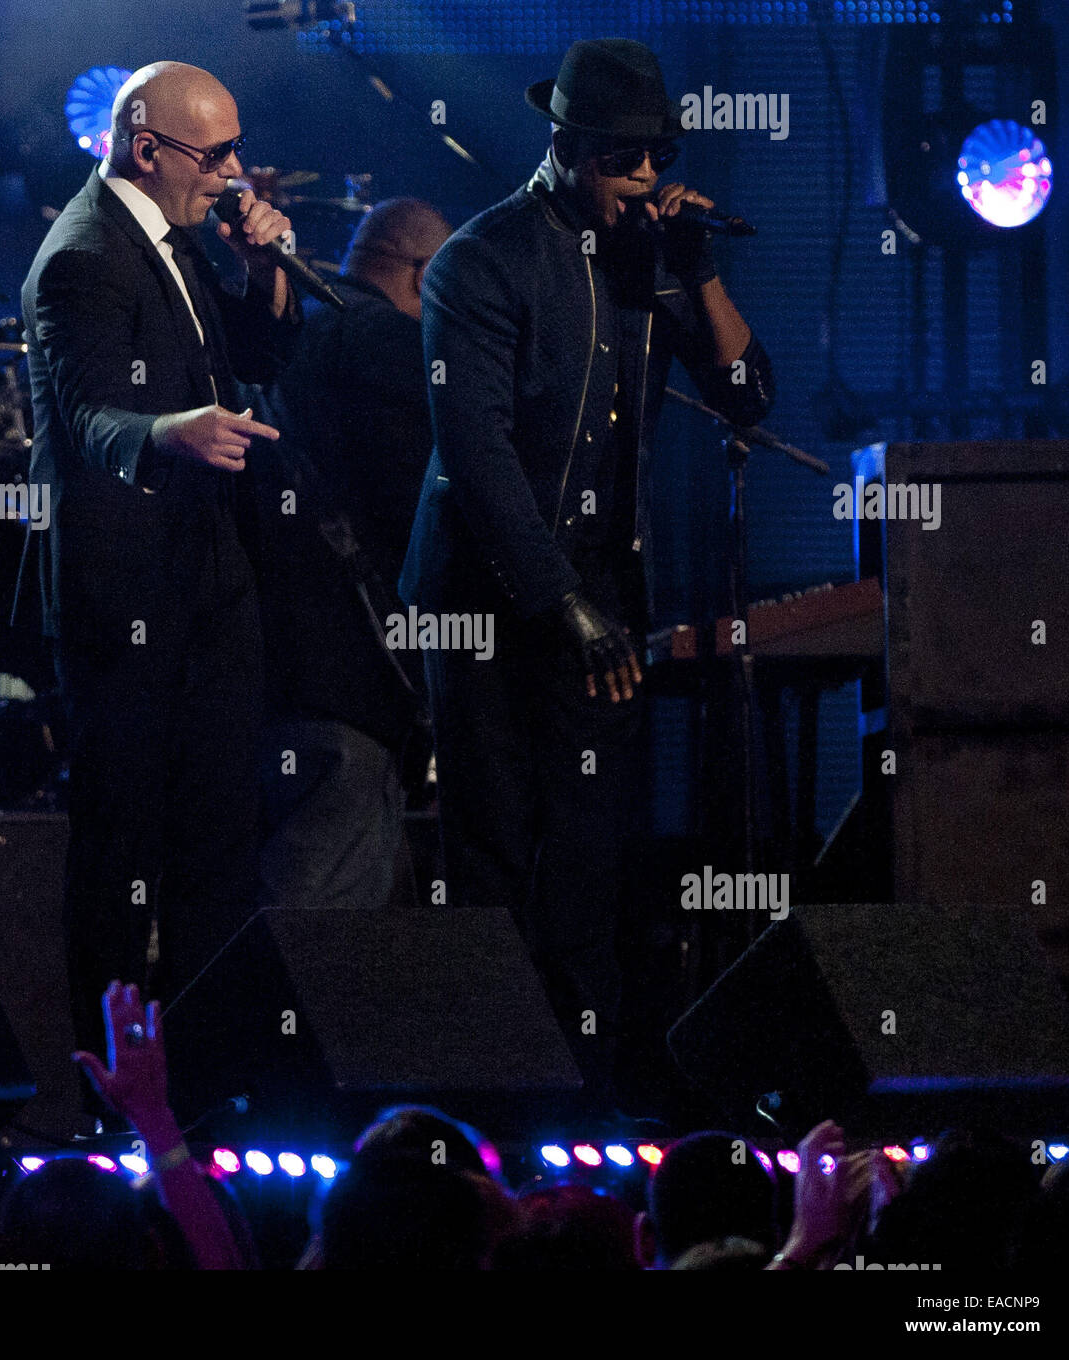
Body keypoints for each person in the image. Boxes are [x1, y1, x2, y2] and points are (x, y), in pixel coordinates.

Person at [399, 38, 774, 1097]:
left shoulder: (649, 261)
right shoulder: (482, 259)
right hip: (488, 598)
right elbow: (475, 452)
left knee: (589, 859)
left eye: (654, 159)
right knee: (492, 853)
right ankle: (480, 1100)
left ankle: (580, 1095)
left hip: (602, 598)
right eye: (620, 162)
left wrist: (694, 268)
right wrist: (559, 602)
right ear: (563, 147)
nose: (642, 182)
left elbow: (749, 394)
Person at [16, 61, 302, 1109]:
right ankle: (107, 1098)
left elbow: (265, 350)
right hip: (124, 593)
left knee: (219, 836)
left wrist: (264, 263)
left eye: (236, 152)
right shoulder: (85, 258)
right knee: (121, 843)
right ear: (148, 149)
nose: (233, 175)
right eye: (216, 155)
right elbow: (92, 419)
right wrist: (167, 434)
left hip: (206, 584)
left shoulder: (174, 237)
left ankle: (208, 1082)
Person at [249, 198, 451, 911]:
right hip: (349, 687)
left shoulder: (288, 332)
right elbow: (429, 519)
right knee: (319, 947)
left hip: (259, 675)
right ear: (427, 277)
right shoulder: (394, 347)